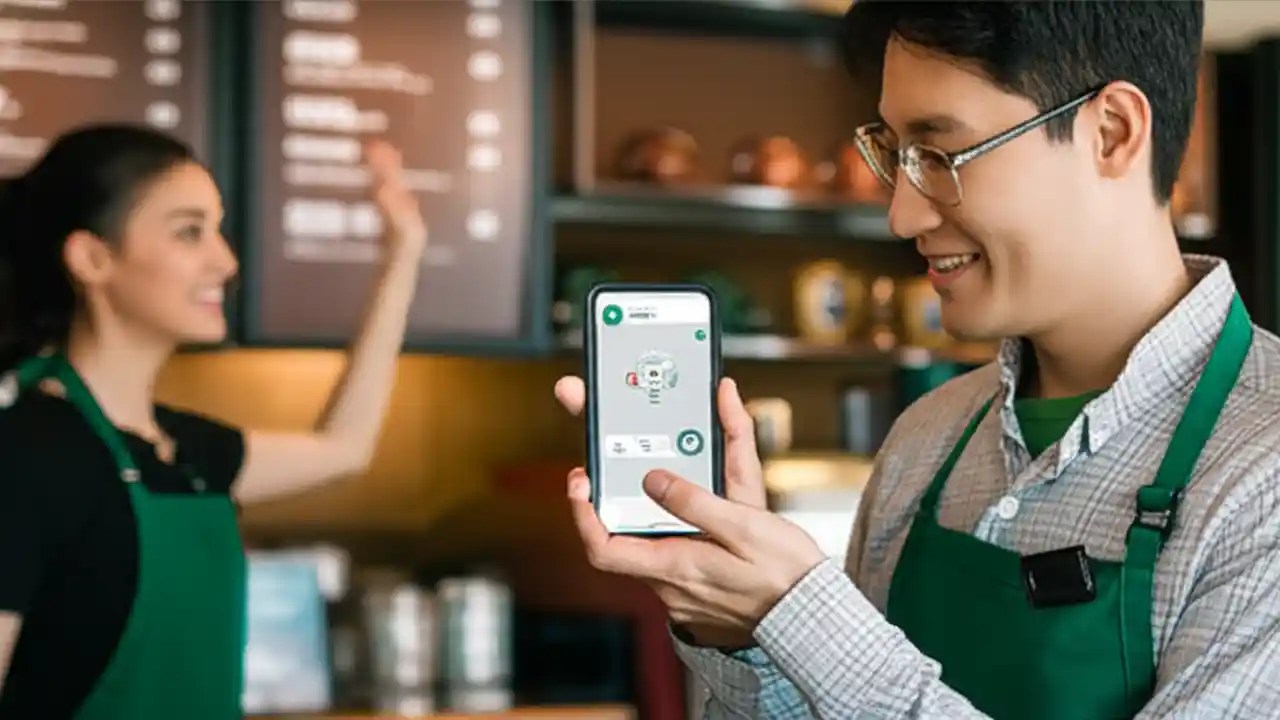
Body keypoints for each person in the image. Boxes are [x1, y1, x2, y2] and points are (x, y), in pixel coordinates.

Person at [553, 1, 1280, 718]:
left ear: (1111, 133)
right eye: (896, 154)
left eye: (940, 153)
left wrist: (799, 610)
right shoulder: (927, 439)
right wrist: (743, 628)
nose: (902, 213)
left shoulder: (1264, 471)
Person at [0, 124, 425, 719]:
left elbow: (345, 447)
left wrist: (402, 255)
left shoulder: (191, 454)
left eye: (217, 230)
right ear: (93, 257)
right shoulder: (23, 455)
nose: (225, 262)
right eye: (189, 232)